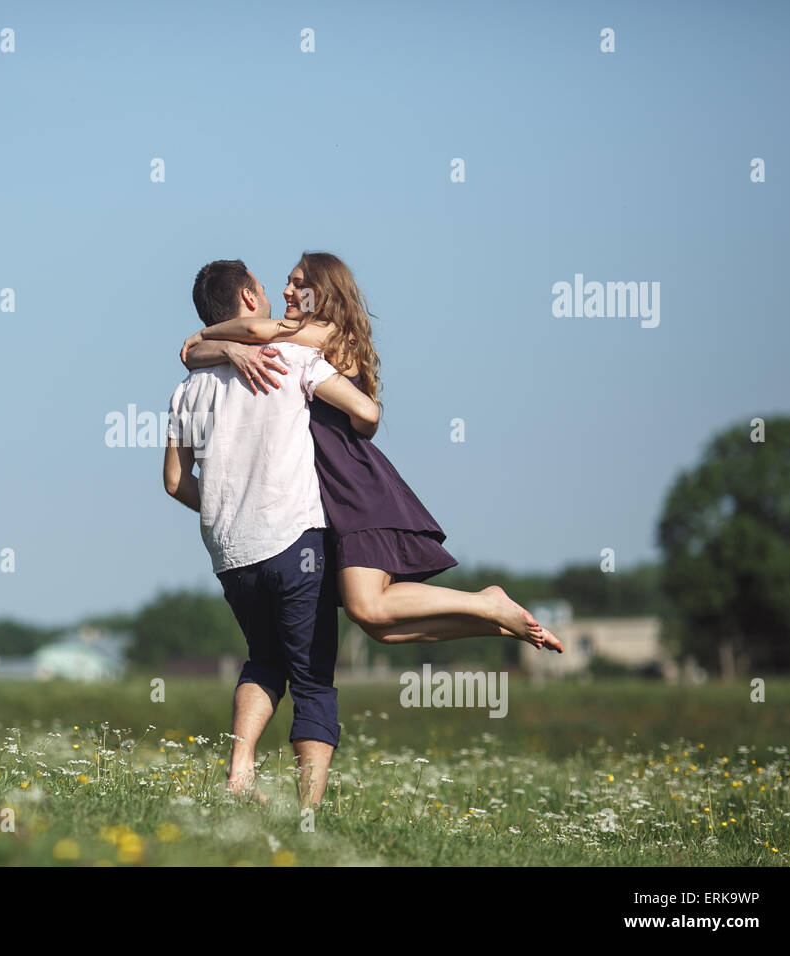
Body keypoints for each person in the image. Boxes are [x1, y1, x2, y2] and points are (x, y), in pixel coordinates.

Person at [182, 251, 563, 653]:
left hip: (352, 484)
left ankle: (486, 602)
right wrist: (220, 347)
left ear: (321, 291)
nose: (285, 289)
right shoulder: (291, 336)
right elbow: (198, 356)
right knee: (380, 626)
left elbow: (242, 338)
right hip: (330, 495)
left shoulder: (325, 332)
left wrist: (207, 337)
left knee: (368, 607)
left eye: (297, 283)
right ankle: (498, 623)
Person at [164, 259, 380, 808]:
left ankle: (240, 771)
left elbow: (173, 482)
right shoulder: (291, 353)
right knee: (312, 676)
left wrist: (219, 507)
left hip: (230, 552)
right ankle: (308, 815)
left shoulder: (187, 389)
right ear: (249, 294)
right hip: (295, 539)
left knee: (264, 657)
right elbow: (365, 410)